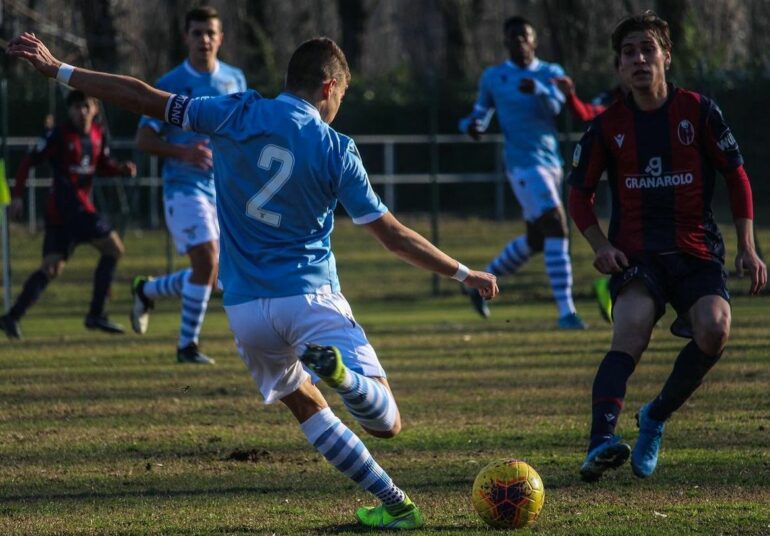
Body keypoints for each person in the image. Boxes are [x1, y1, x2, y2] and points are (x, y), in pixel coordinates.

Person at [8, 32, 499, 529]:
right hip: (310, 297)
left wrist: (59, 69)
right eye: (342, 97)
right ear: (329, 87)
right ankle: (344, 377)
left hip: (245, 310)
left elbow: (139, 96)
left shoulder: (234, 112)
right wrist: (463, 271)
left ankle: (395, 504)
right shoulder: (335, 148)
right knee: (386, 421)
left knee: (305, 406)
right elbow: (393, 237)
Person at [568, 11, 766, 481]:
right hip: (638, 256)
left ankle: (654, 415)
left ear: (666, 56)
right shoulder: (607, 127)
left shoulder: (698, 111)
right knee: (631, 331)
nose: (639, 59)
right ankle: (600, 441)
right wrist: (600, 245)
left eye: (647, 49)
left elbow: (736, 177)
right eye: (629, 53)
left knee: (715, 330)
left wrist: (748, 246)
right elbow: (579, 195)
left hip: (696, 252)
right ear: (619, 67)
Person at [132, 6, 247, 365]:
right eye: (197, 33)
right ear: (186, 38)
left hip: (221, 193)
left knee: (215, 276)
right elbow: (144, 139)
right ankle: (187, 347)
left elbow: (243, 133)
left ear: (221, 38)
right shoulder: (169, 83)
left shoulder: (235, 80)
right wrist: (183, 151)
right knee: (207, 260)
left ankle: (147, 289)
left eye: (211, 33)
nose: (204, 40)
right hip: (183, 189)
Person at [459, 15, 585, 330]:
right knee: (556, 226)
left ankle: (477, 283)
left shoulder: (550, 72)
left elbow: (558, 107)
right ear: (505, 41)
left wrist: (539, 89)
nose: (519, 41)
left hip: (551, 162)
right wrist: (472, 127)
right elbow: (479, 114)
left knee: (536, 240)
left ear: (534, 40)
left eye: (524, 36)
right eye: (513, 37)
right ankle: (567, 312)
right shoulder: (494, 76)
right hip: (523, 164)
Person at [0, 90, 136, 340]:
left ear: (95, 108)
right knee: (114, 248)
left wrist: (120, 169)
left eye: (86, 106)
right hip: (68, 208)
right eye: (76, 107)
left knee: (51, 267)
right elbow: (28, 161)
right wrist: (17, 196)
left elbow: (101, 166)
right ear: (69, 111)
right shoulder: (58, 135)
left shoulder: (98, 134)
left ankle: (12, 316)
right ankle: (96, 313)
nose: (81, 111)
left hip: (69, 214)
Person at [553, 72, 627, 324]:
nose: (639, 61)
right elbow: (586, 114)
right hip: (626, 184)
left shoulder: (670, 104)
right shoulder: (610, 102)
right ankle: (613, 285)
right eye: (628, 56)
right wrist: (571, 97)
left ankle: (615, 287)